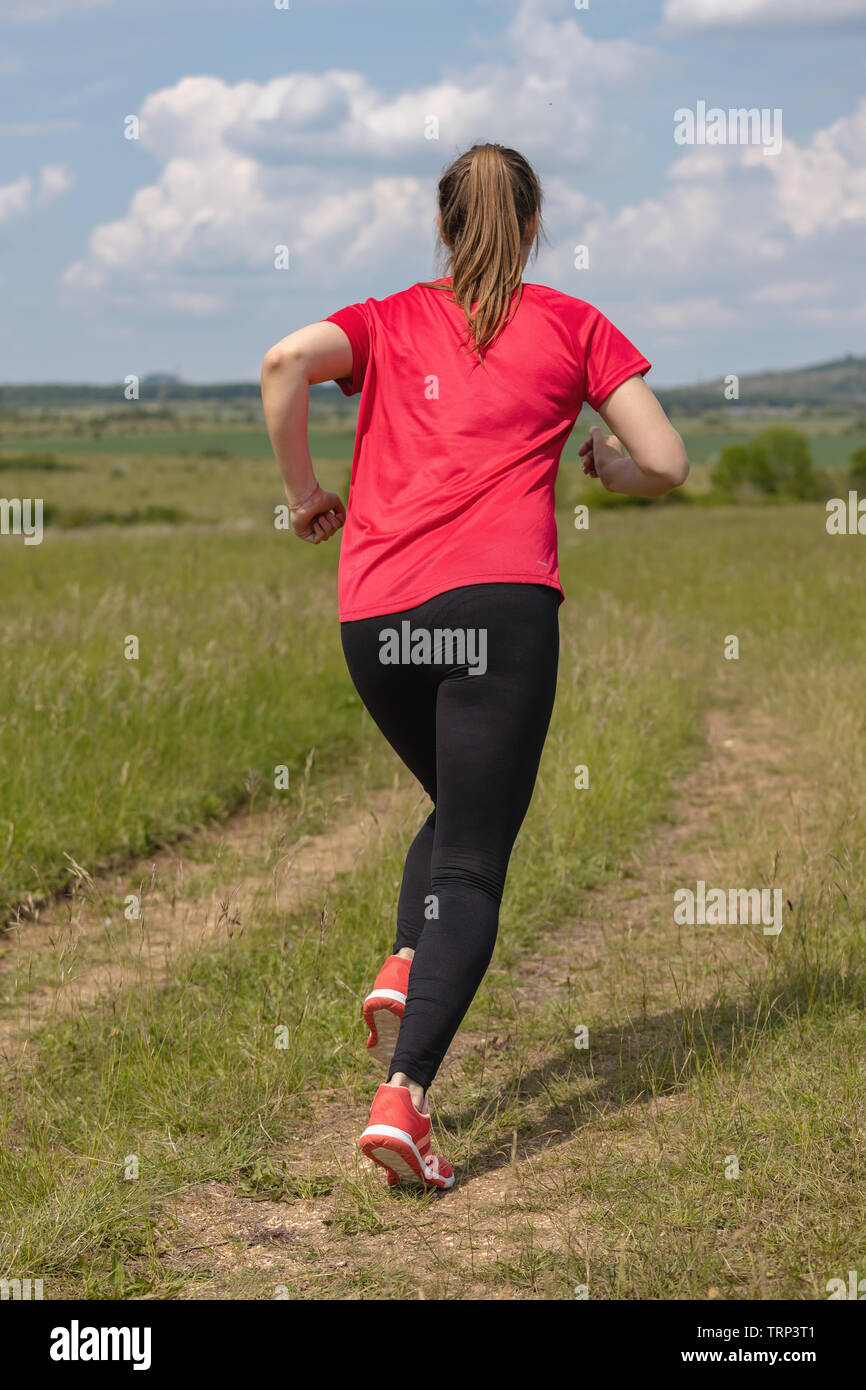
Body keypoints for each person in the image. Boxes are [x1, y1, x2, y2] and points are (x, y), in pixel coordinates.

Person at [261, 142, 689, 1191]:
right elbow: (669, 464)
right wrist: (610, 467)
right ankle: (402, 1100)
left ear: (442, 225)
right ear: (533, 225)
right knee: (470, 861)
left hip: (379, 621)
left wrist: (307, 492)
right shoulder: (574, 325)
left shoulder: (384, 319)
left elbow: (281, 363)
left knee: (456, 810)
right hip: (499, 612)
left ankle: (408, 962)